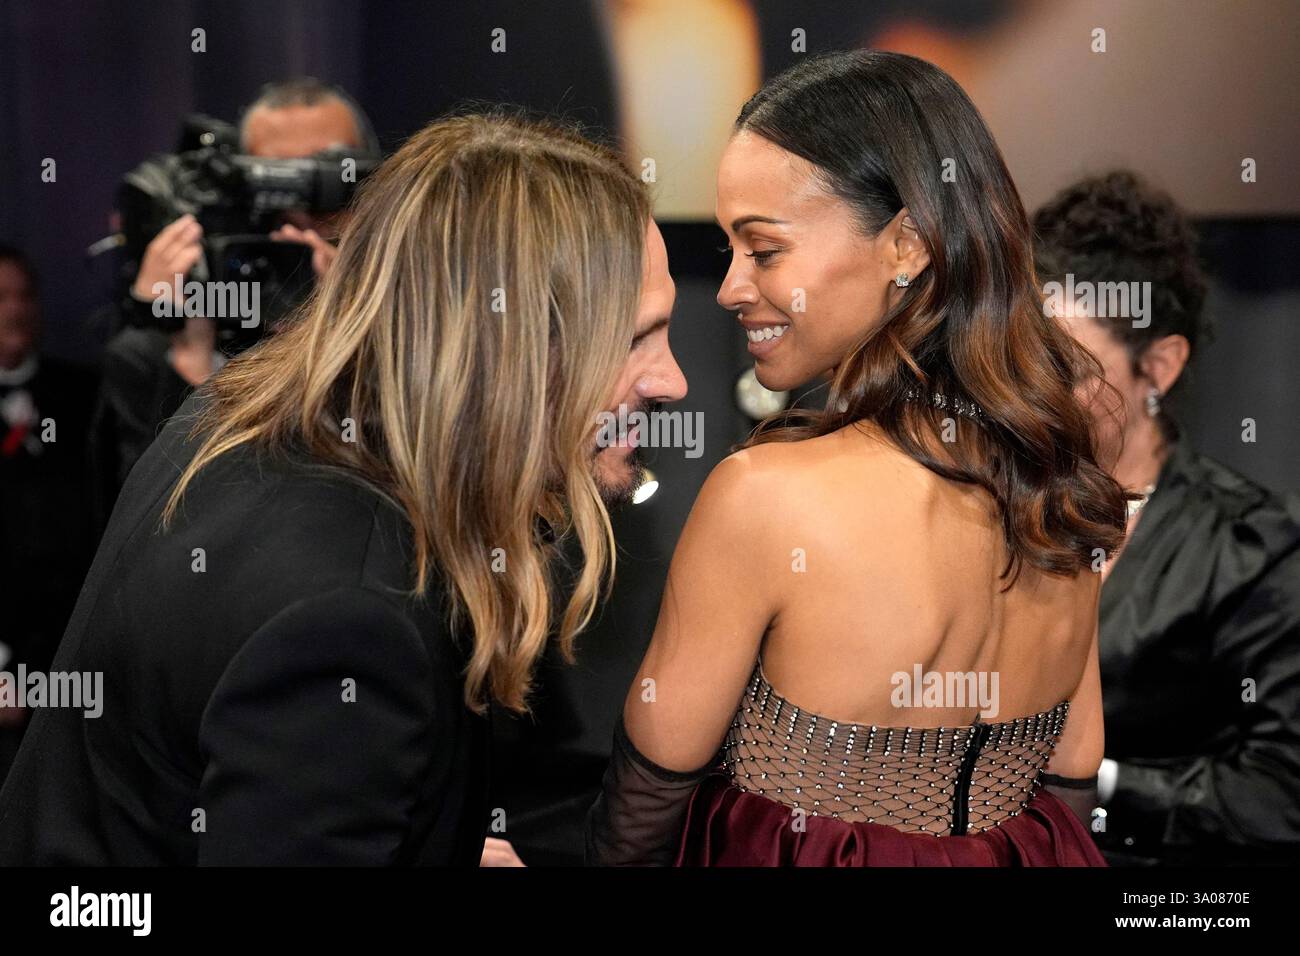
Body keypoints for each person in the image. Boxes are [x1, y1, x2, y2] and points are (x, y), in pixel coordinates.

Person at [0, 110, 686, 865]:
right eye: (633, 340)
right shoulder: (353, 621)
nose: (673, 381)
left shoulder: (232, 414)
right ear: (510, 348)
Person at [586, 50, 1128, 866]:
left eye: (763, 251)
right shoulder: (1057, 469)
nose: (731, 287)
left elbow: (642, 816)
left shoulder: (765, 494)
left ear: (906, 244)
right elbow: (1074, 769)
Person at [1036, 170, 1300, 865]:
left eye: (1066, 370)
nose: (1036, 398)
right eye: (1019, 366)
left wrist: (1097, 782)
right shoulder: (987, 513)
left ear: (1160, 365)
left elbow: (1279, 794)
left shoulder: (1251, 545)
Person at [94, 78, 374, 509]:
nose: (296, 224)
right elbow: (150, 525)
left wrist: (351, 325)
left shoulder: (408, 324)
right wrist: (191, 359)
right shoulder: (162, 339)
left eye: (326, 191)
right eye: (273, 193)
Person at [0, 245, 99, 781]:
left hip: (78, 657)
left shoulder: (85, 392)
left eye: (23, 295)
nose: (14, 309)